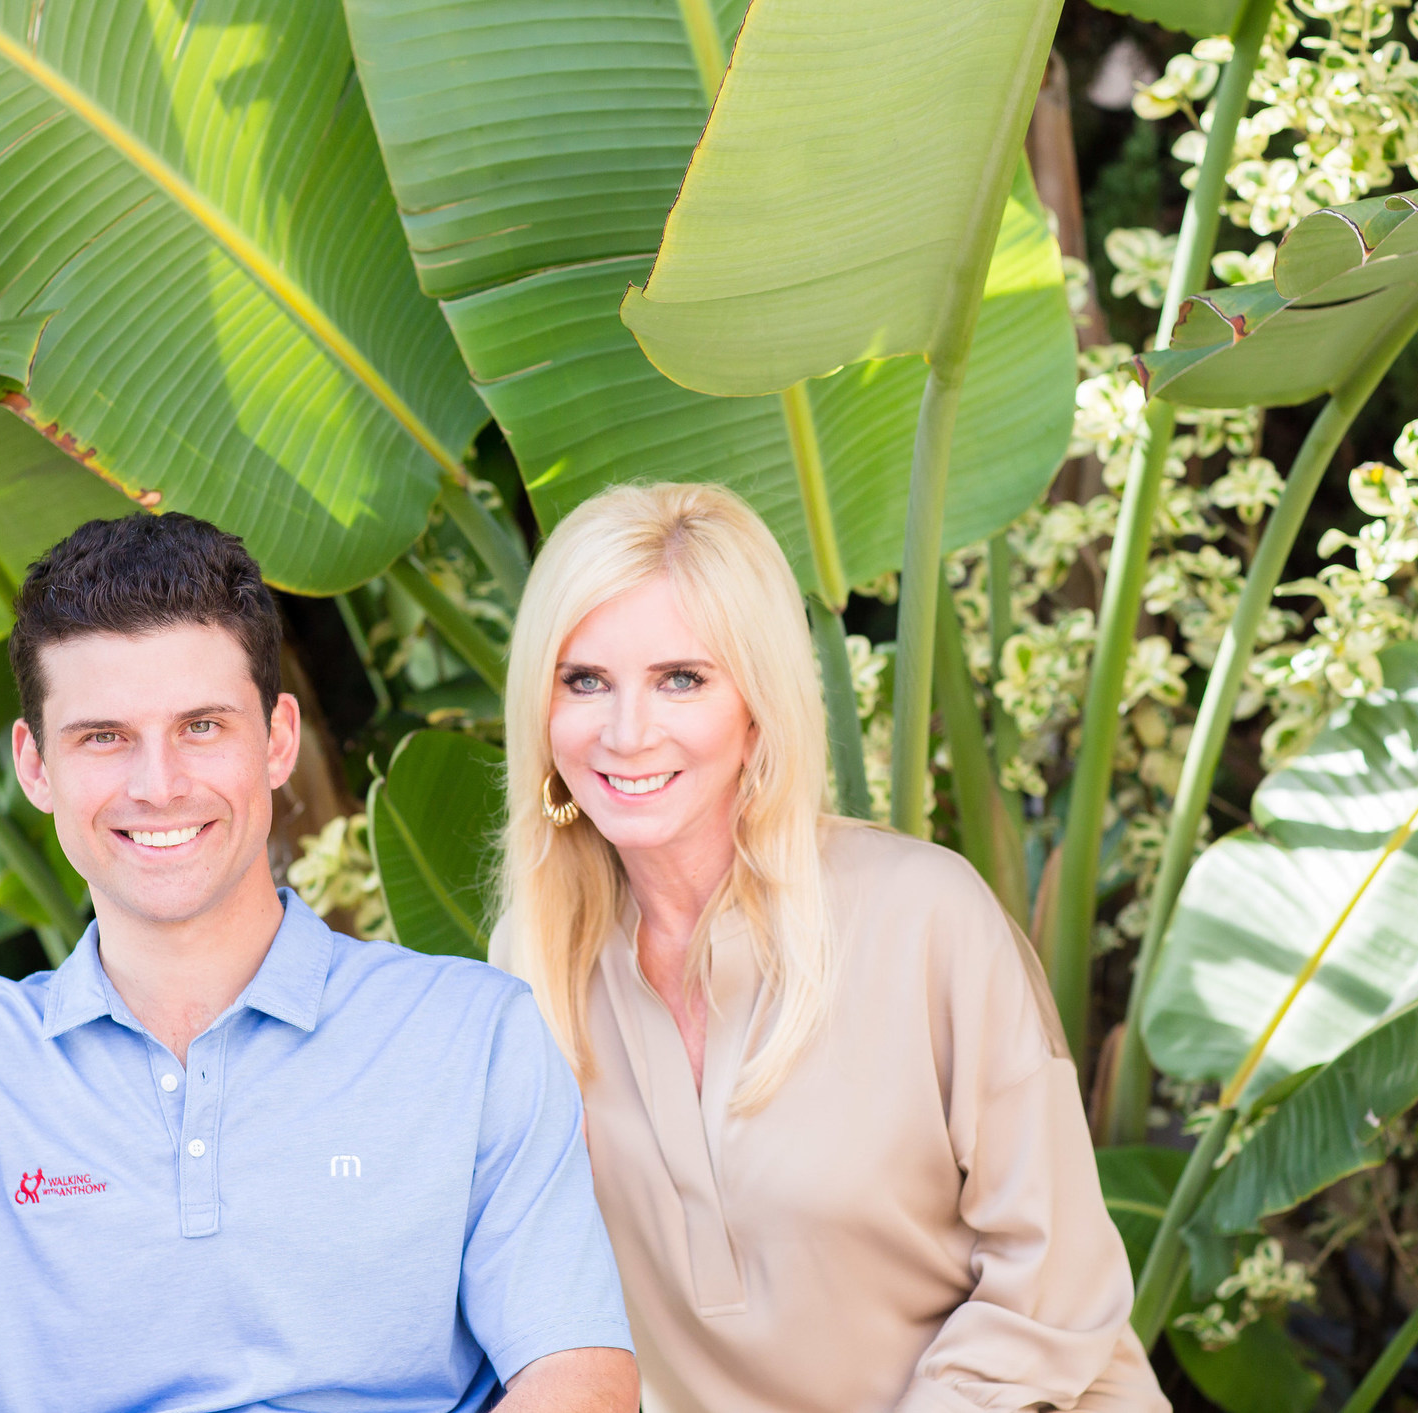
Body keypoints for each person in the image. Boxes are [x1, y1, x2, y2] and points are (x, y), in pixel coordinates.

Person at [0, 513, 637, 1413]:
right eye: (103, 736)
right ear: (35, 763)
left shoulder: (473, 1032)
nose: (159, 783)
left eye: (202, 726)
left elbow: (581, 1379)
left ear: (278, 738)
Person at [489, 483, 1167, 1413]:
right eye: (584, 680)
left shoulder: (925, 916)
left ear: (757, 707)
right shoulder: (532, 961)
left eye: (681, 678)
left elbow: (1049, 1286)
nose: (625, 732)